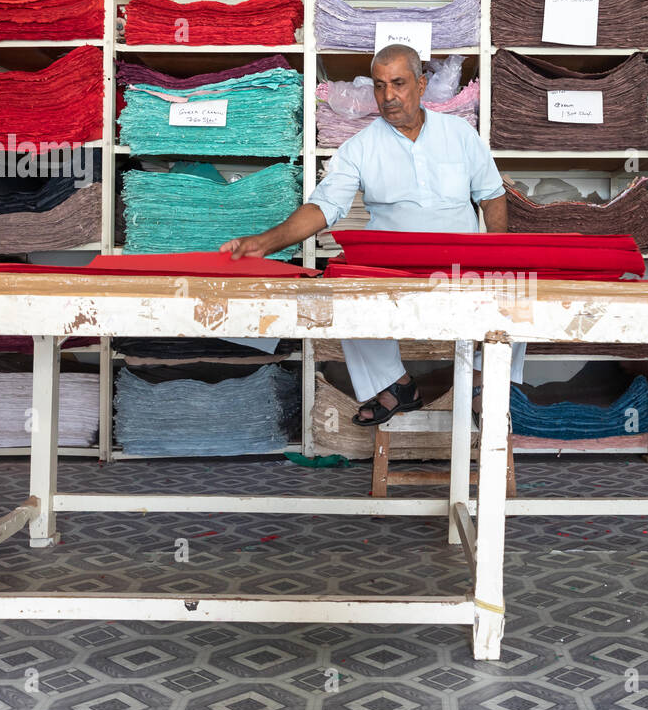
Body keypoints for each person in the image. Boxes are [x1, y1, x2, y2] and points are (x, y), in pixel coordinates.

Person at [221, 43, 525, 425]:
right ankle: (395, 385)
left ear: (422, 83)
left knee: (520, 286)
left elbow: (493, 196)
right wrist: (263, 242)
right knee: (345, 285)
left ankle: (482, 383)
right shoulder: (359, 148)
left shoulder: (459, 133)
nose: (388, 96)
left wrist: (496, 255)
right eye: (380, 86)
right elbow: (323, 208)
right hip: (392, 269)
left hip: (459, 266)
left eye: (398, 83)